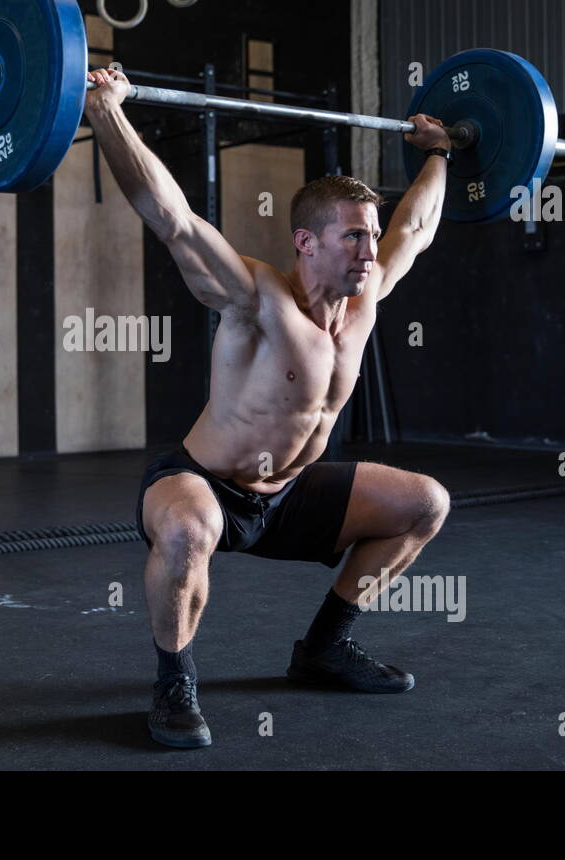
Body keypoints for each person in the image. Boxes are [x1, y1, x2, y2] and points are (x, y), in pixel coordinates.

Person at [84, 66, 455, 749]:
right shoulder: (256, 297)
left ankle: (324, 648)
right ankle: (174, 681)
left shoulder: (367, 298)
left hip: (289, 494)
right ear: (306, 242)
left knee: (427, 502)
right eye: (353, 237)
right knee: (189, 531)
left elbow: (420, 226)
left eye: (371, 235)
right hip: (205, 486)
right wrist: (107, 111)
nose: (371, 250)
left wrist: (439, 151)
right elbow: (170, 217)